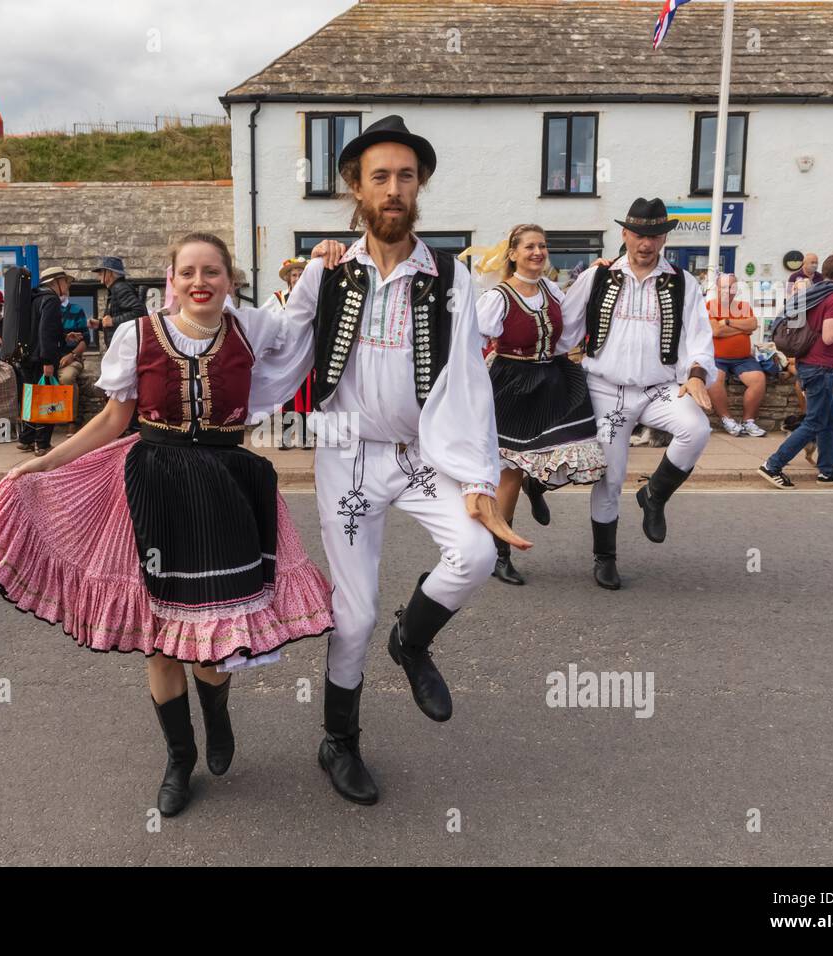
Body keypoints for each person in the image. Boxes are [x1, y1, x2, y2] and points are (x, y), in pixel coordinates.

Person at [0, 233, 333, 818]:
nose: (199, 282)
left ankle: (217, 717)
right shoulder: (136, 335)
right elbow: (113, 420)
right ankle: (179, 758)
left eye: (211, 271)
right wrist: (45, 463)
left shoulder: (251, 329)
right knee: (161, 641)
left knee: (211, 643)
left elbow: (305, 320)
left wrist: (320, 262)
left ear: (230, 279)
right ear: (172, 279)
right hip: (153, 488)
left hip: (225, 491)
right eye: (188, 271)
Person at [279, 115, 526, 806]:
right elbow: (279, 346)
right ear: (355, 187)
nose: (393, 189)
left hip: (424, 451)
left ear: (420, 187)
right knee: (352, 616)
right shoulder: (327, 271)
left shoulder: (450, 276)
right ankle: (339, 741)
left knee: (475, 553)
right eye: (380, 177)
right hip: (347, 451)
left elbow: (469, 380)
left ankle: (411, 641)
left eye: (406, 177)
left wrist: (478, 478)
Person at [560, 198, 717, 591]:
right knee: (610, 478)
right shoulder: (598, 276)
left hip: (659, 388)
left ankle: (654, 495)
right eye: (638, 235)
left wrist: (697, 375)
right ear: (625, 234)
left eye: (654, 235)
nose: (646, 243)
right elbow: (564, 324)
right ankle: (605, 558)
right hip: (605, 390)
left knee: (696, 429)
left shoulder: (683, 282)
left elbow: (700, 338)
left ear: (664, 238)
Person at [475, 224, 608, 586]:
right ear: (513, 254)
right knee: (509, 474)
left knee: (572, 448)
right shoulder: (499, 297)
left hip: (552, 377)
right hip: (512, 384)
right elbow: (472, 342)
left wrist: (597, 272)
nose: (538, 252)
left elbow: (574, 318)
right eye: (530, 246)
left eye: (542, 246)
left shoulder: (551, 289)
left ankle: (537, 483)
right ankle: (499, 555)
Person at [760, 253, 833, 487]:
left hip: (809, 363)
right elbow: (829, 336)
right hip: (820, 367)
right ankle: (772, 465)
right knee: (814, 422)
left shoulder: (816, 292)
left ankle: (828, 471)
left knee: (829, 421)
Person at [17, 266, 72, 454]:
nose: (67, 286)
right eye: (65, 281)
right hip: (42, 358)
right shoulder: (51, 300)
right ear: (56, 282)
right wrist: (48, 361)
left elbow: (38, 328)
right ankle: (42, 444)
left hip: (27, 357)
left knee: (30, 398)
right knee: (48, 400)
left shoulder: (34, 299)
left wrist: (64, 336)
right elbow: (46, 331)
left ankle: (26, 439)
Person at [707, 272, 767, 437]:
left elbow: (753, 324)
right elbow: (716, 331)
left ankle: (748, 422)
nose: (728, 291)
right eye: (724, 287)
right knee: (714, 379)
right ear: (717, 288)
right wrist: (742, 329)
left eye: (731, 287)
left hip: (743, 359)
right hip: (717, 358)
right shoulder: (709, 306)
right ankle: (727, 419)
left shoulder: (744, 306)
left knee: (758, 379)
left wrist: (727, 322)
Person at [264, 256, 312, 448]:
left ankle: (305, 437)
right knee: (285, 396)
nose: (297, 278)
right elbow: (265, 319)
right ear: (288, 278)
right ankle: (285, 437)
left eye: (301, 274)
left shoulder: (312, 298)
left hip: (305, 353)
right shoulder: (278, 298)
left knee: (307, 398)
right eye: (294, 275)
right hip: (285, 355)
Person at [56, 293, 97, 433]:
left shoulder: (77, 310)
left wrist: (72, 355)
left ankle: (72, 420)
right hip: (49, 359)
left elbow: (85, 340)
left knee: (67, 378)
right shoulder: (46, 309)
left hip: (71, 359)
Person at [95, 256, 146, 348]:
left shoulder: (120, 288)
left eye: (101, 271)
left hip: (125, 347)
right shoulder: (116, 288)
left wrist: (113, 321)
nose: (99, 275)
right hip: (123, 345)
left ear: (109, 273)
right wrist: (99, 324)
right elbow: (119, 319)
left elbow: (139, 312)